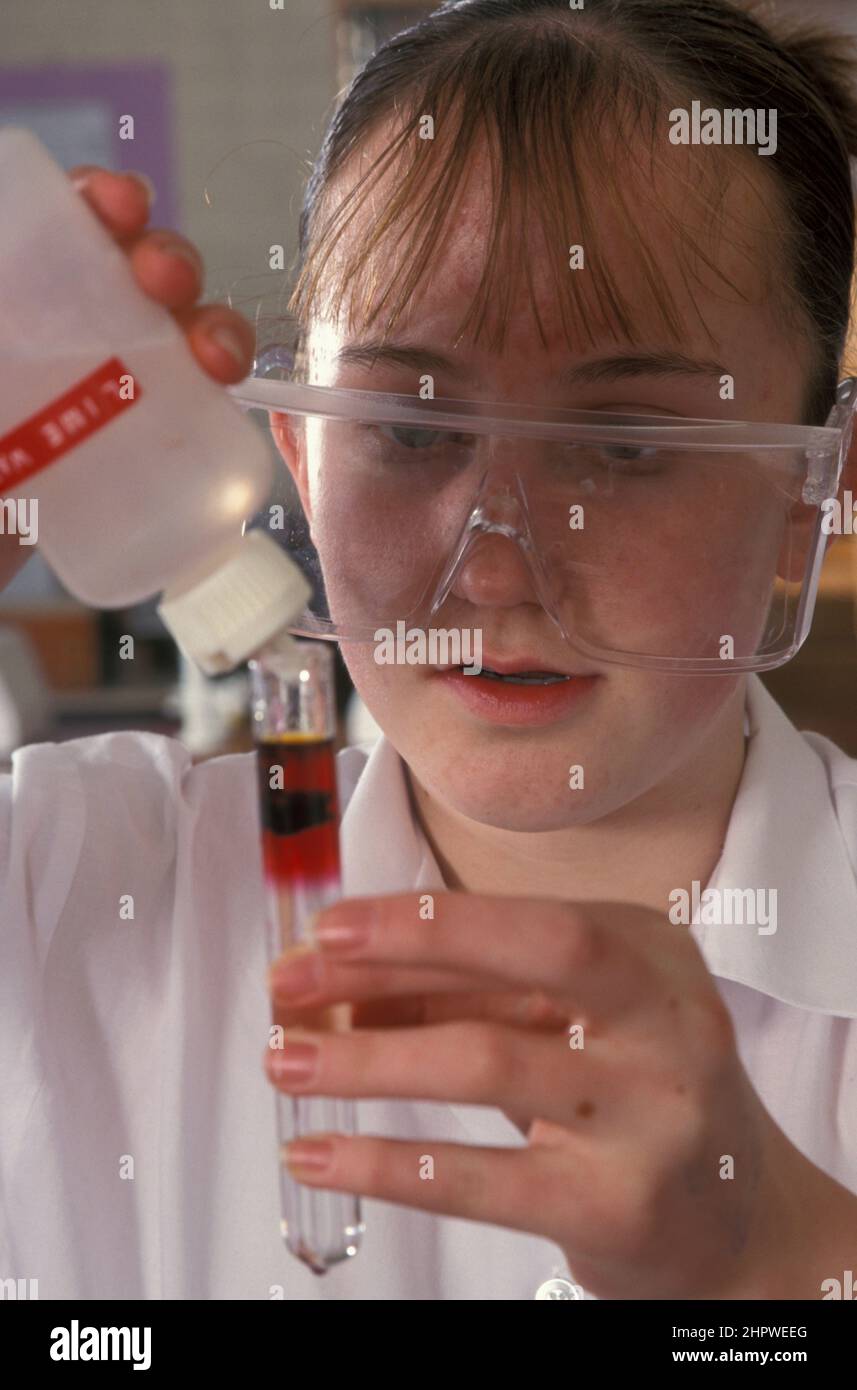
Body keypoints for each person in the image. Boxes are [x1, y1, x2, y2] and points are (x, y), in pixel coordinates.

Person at [3, 0, 857, 1301]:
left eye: (627, 443)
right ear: (295, 444)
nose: (499, 564)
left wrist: (789, 1271)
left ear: (815, 483)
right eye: (405, 424)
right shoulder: (73, 883)